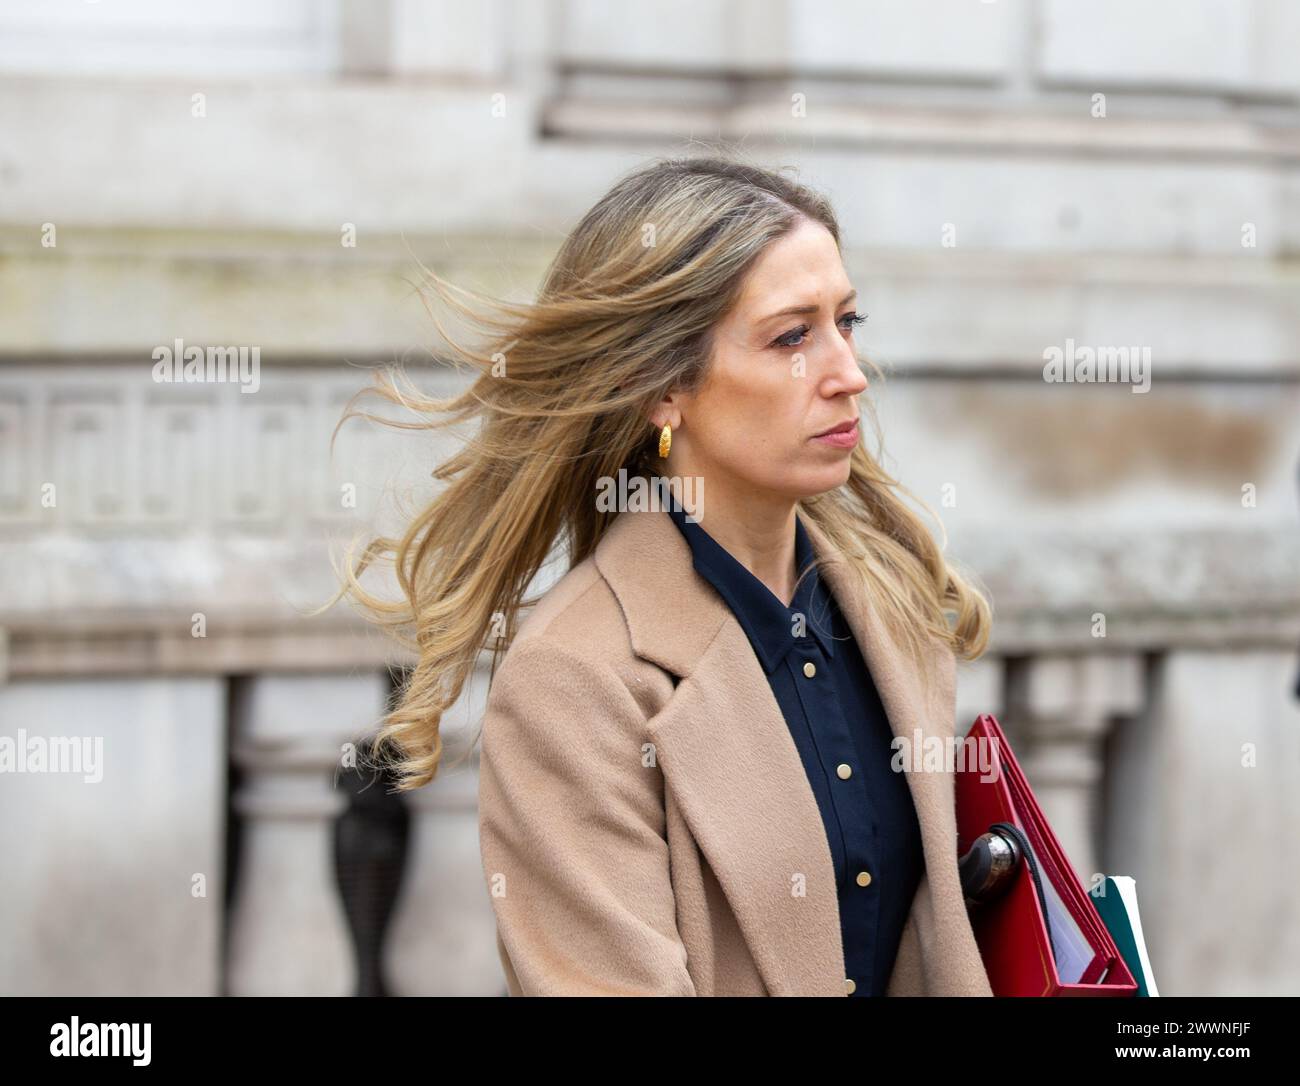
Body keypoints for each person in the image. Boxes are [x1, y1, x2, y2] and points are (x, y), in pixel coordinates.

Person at [331, 154, 994, 996]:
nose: (847, 373)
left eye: (848, 322)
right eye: (793, 336)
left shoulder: (888, 606)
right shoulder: (571, 679)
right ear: (663, 390)